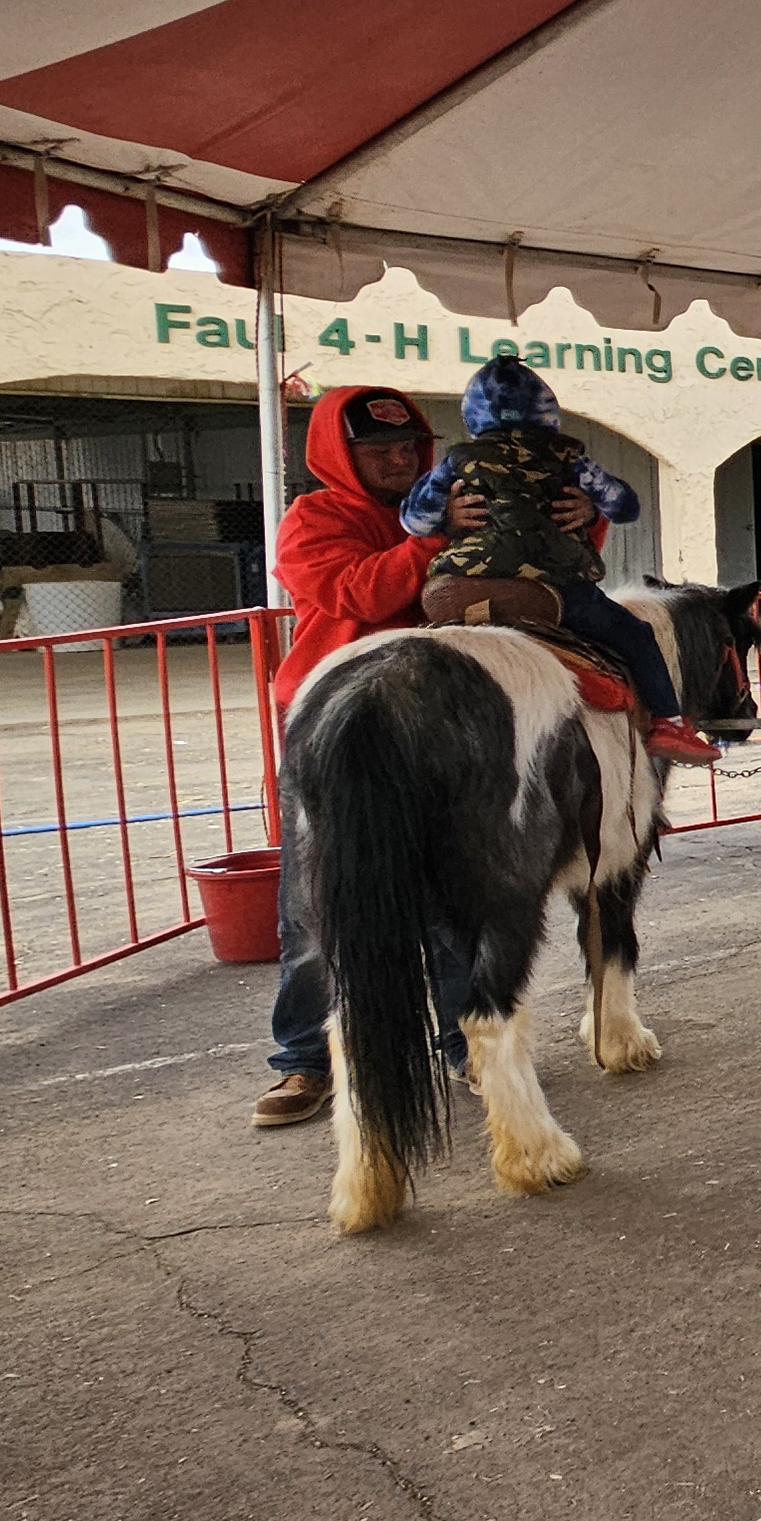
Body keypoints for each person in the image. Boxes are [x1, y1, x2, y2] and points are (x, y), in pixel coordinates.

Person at [255, 385, 530, 1126]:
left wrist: (584, 518)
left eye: (409, 448)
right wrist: (429, 540)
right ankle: (305, 1061)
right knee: (317, 908)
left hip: (442, 725)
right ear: (338, 457)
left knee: (454, 896)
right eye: (377, 451)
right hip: (339, 736)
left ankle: (461, 1043)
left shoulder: (454, 503)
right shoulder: (313, 520)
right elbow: (357, 592)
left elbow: (532, 557)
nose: (398, 461)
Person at [399, 358, 719, 765]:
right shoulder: (569, 458)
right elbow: (624, 506)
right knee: (635, 634)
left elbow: (415, 521)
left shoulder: (457, 460)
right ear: (547, 410)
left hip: (454, 593)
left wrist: (448, 514)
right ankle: (669, 723)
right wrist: (590, 504)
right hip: (554, 593)